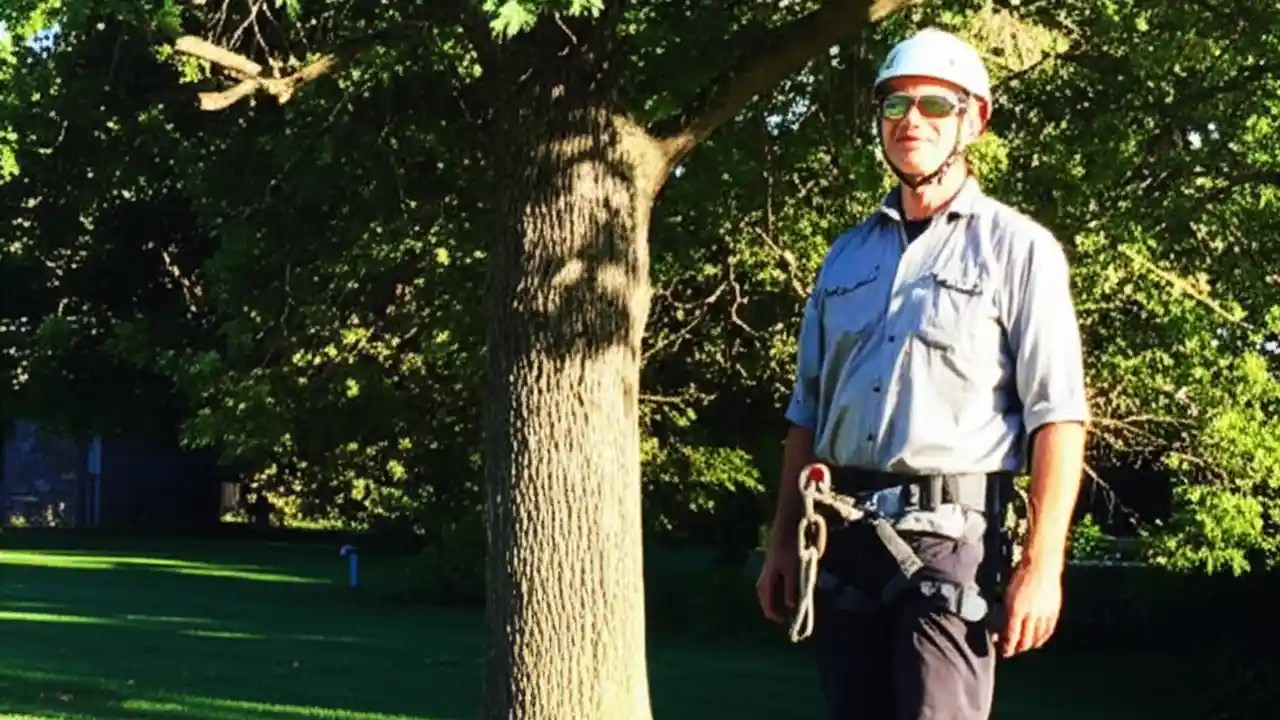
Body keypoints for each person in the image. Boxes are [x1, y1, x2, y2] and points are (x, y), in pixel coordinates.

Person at [755, 27, 1090, 720]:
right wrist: (783, 538)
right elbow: (807, 414)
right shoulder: (843, 259)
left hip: (950, 543)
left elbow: (1058, 416)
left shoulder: (1019, 250)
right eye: (895, 105)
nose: (913, 121)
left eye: (936, 105)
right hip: (843, 537)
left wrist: (1043, 564)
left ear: (974, 119)